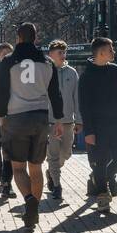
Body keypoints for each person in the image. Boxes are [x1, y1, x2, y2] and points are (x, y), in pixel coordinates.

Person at [0, 23, 64, 232]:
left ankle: (29, 200)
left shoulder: (8, 61)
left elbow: (2, 90)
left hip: (16, 118)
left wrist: (0, 114)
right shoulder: (48, 62)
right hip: (41, 118)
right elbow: (55, 94)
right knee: (36, 167)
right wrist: (58, 120)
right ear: (35, 37)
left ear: (18, 38)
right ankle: (35, 207)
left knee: (17, 167)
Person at [78, 36, 117, 214]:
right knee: (99, 162)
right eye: (110, 49)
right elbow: (84, 106)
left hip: (116, 122)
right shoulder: (86, 76)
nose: (113, 52)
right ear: (101, 53)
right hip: (97, 126)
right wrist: (89, 131)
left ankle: (104, 177)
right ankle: (102, 196)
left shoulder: (115, 70)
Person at [45, 40, 81, 203]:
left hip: (68, 121)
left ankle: (52, 173)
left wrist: (79, 120)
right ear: (50, 54)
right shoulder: (45, 72)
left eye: (64, 52)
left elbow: (77, 98)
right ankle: (57, 186)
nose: (63, 55)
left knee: (66, 153)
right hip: (51, 121)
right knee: (53, 155)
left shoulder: (72, 73)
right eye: (59, 52)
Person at [0, 42, 16, 197]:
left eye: (9, 54)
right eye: (4, 54)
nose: (6, 57)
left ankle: (7, 183)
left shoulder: (16, 71)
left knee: (9, 152)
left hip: (11, 117)